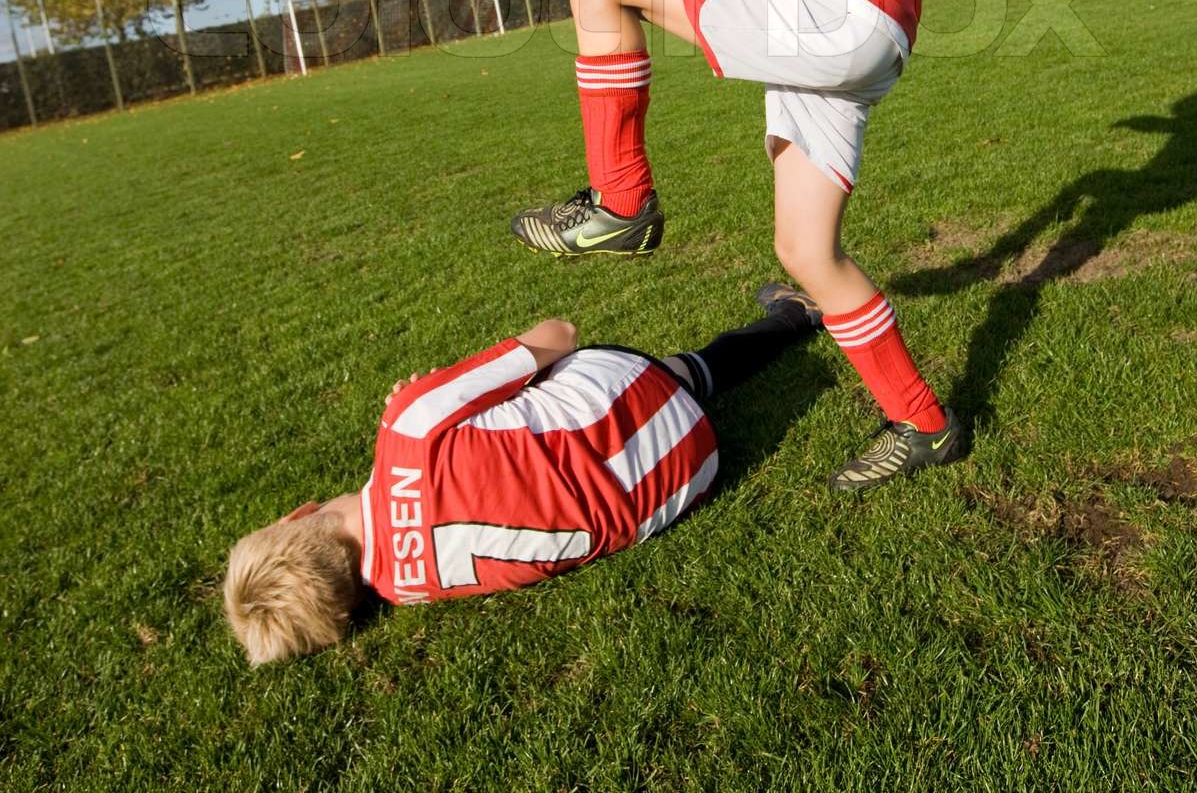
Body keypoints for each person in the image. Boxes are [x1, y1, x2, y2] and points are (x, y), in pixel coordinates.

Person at [510, 0, 1097, 492]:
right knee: (806, 249)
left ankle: (621, 205)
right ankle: (925, 424)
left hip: (835, 7)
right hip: (846, 33)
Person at [224, 282, 822, 665]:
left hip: (687, 476)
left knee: (518, 429)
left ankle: (785, 318)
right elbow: (560, 334)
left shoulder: (411, 592)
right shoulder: (405, 430)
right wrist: (439, 398)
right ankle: (789, 318)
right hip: (637, 394)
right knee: (543, 378)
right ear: (296, 515)